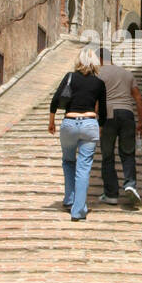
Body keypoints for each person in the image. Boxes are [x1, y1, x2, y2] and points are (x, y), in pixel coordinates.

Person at [48, 47, 107, 221]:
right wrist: (100, 129)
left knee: (68, 161)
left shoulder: (70, 77)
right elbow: (102, 111)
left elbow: (55, 100)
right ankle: (78, 210)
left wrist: (51, 122)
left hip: (69, 122)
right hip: (89, 124)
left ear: (79, 61)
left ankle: (69, 198)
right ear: (95, 63)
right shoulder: (99, 83)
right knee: (84, 168)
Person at [97, 45, 142, 206]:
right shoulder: (127, 74)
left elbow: (96, 99)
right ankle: (130, 185)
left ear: (99, 60)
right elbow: (138, 98)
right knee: (128, 153)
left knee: (107, 154)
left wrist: (96, 120)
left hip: (108, 115)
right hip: (127, 114)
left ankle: (111, 194)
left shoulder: (98, 74)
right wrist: (141, 121)